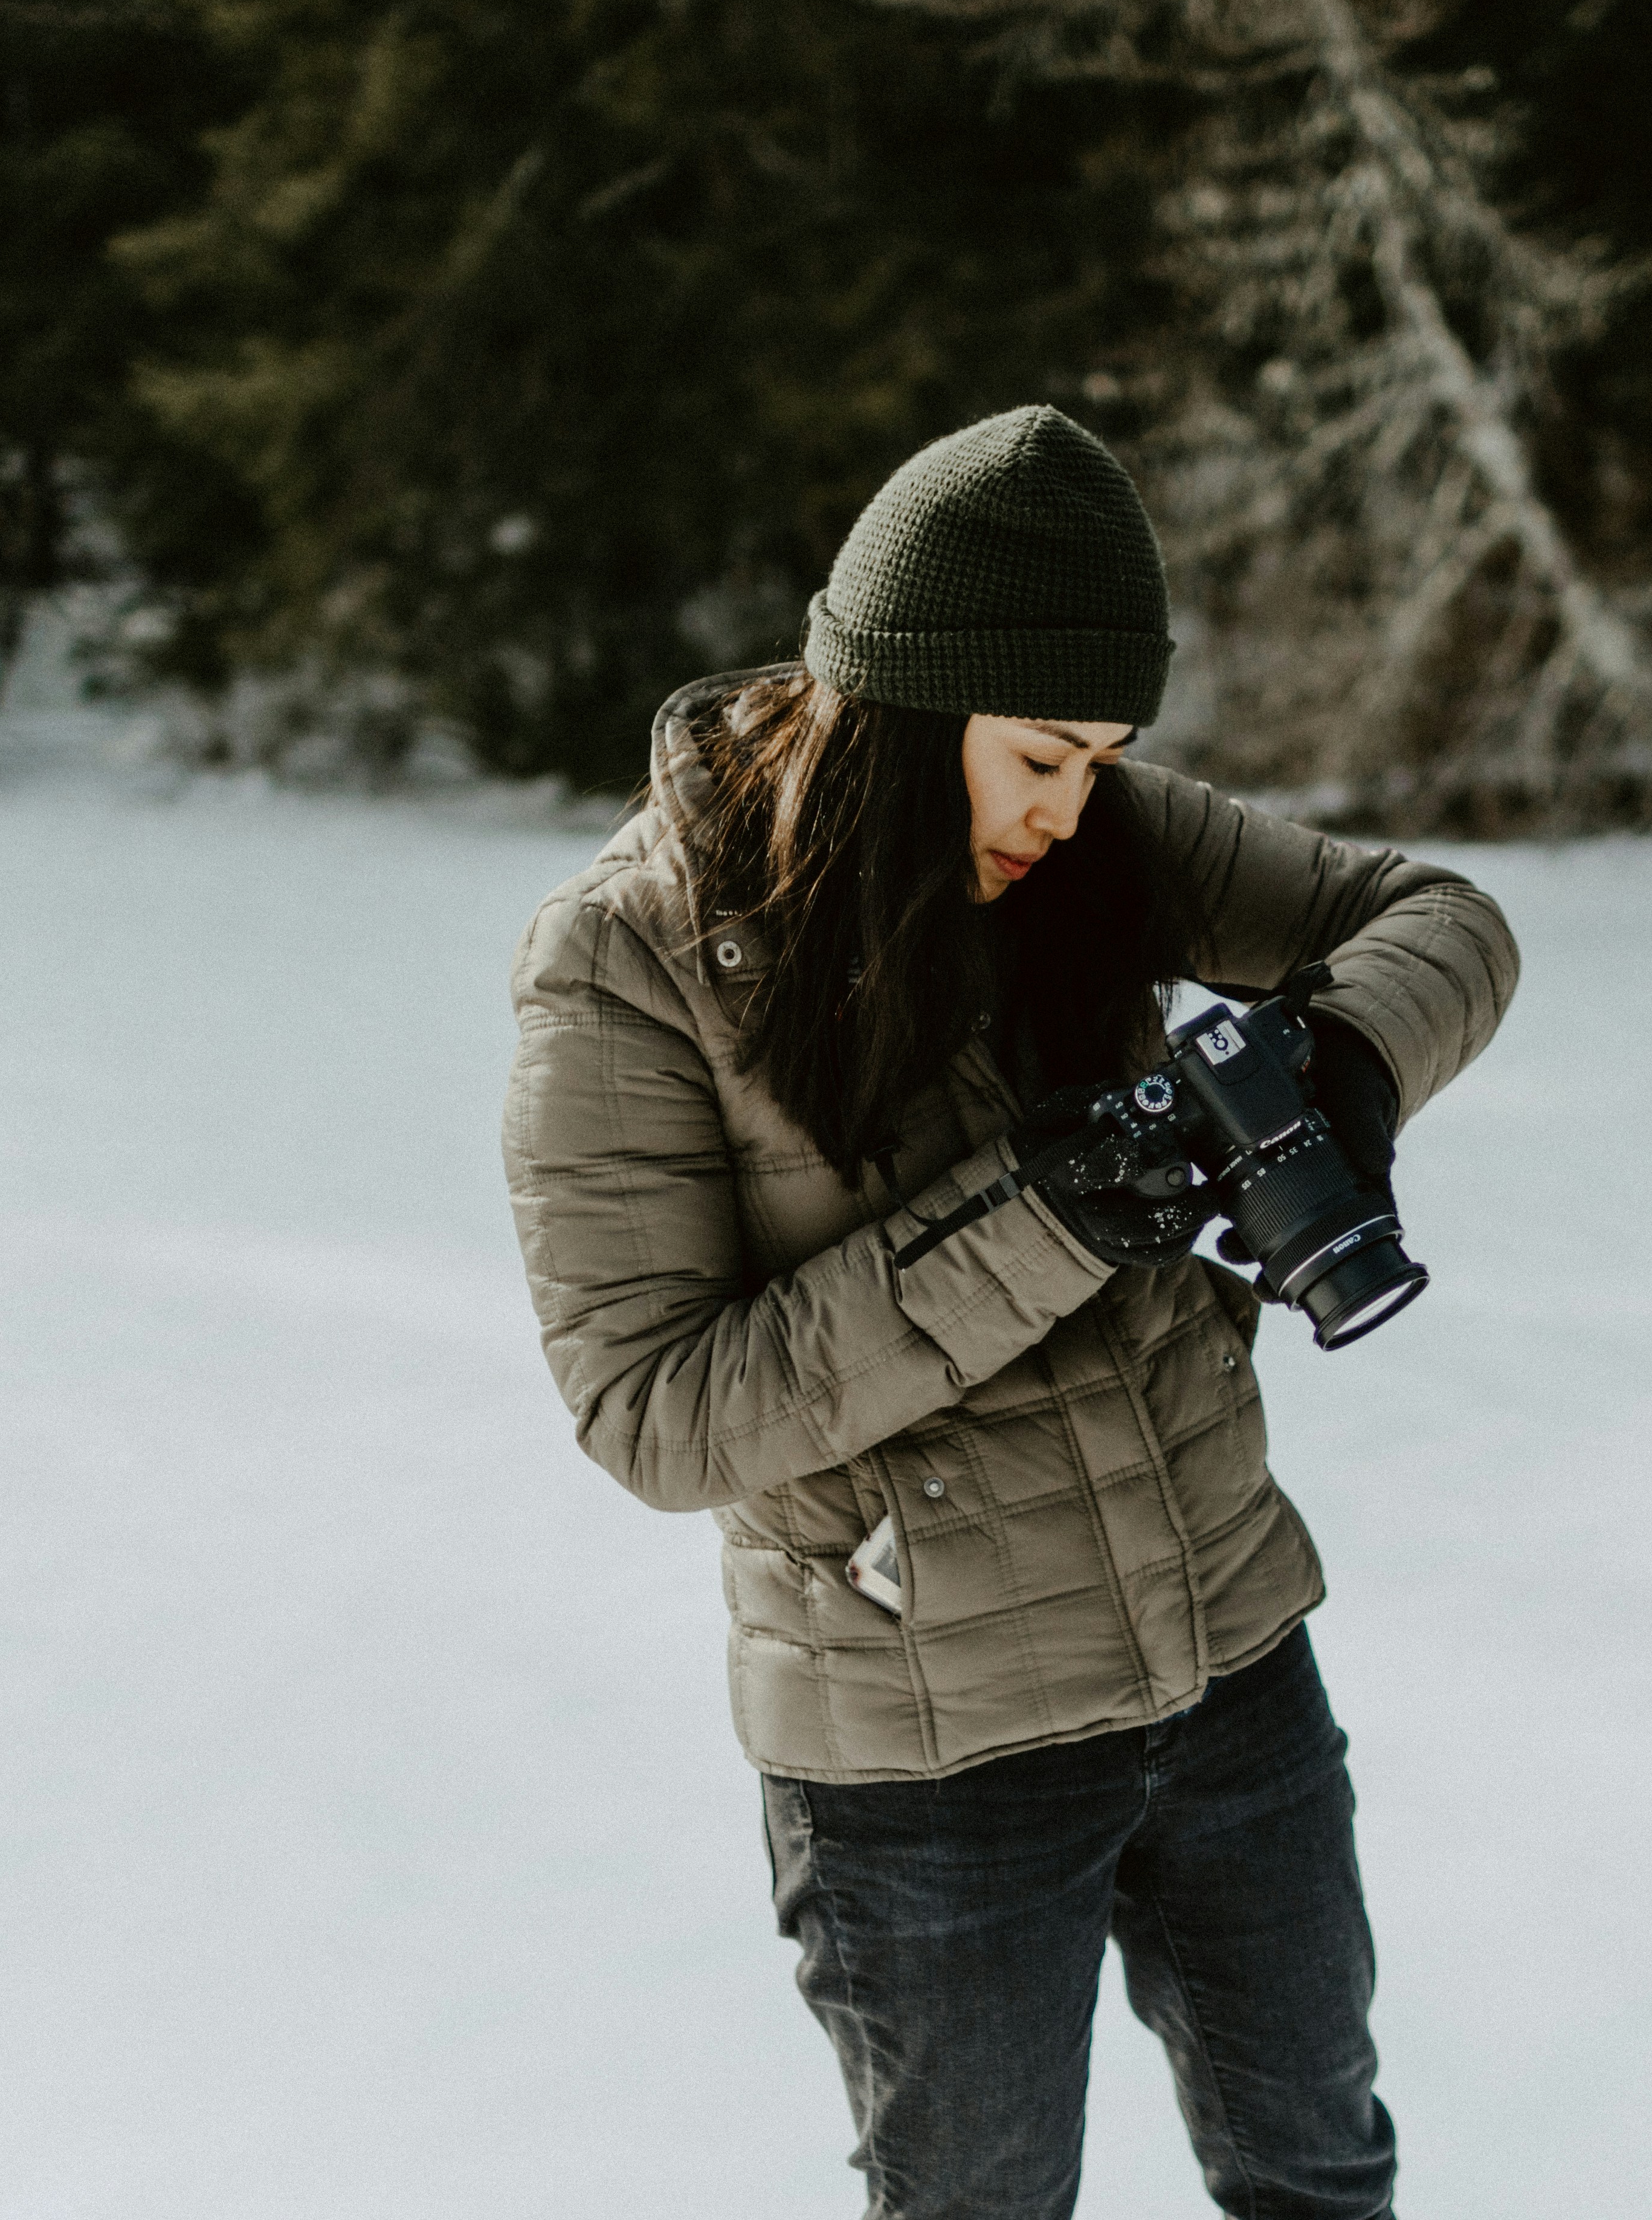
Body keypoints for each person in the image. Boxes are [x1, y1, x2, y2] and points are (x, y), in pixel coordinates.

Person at [501, 405, 1518, 2219]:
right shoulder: (629, 959)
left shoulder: (1101, 841)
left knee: (1321, 2165)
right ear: (899, 714)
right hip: (922, 1750)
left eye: (1108, 757)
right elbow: (652, 1412)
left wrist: (1344, 1064)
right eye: (1041, 756)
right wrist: (1040, 1220)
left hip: (1227, 1644)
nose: (1072, 807)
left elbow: (1434, 913)